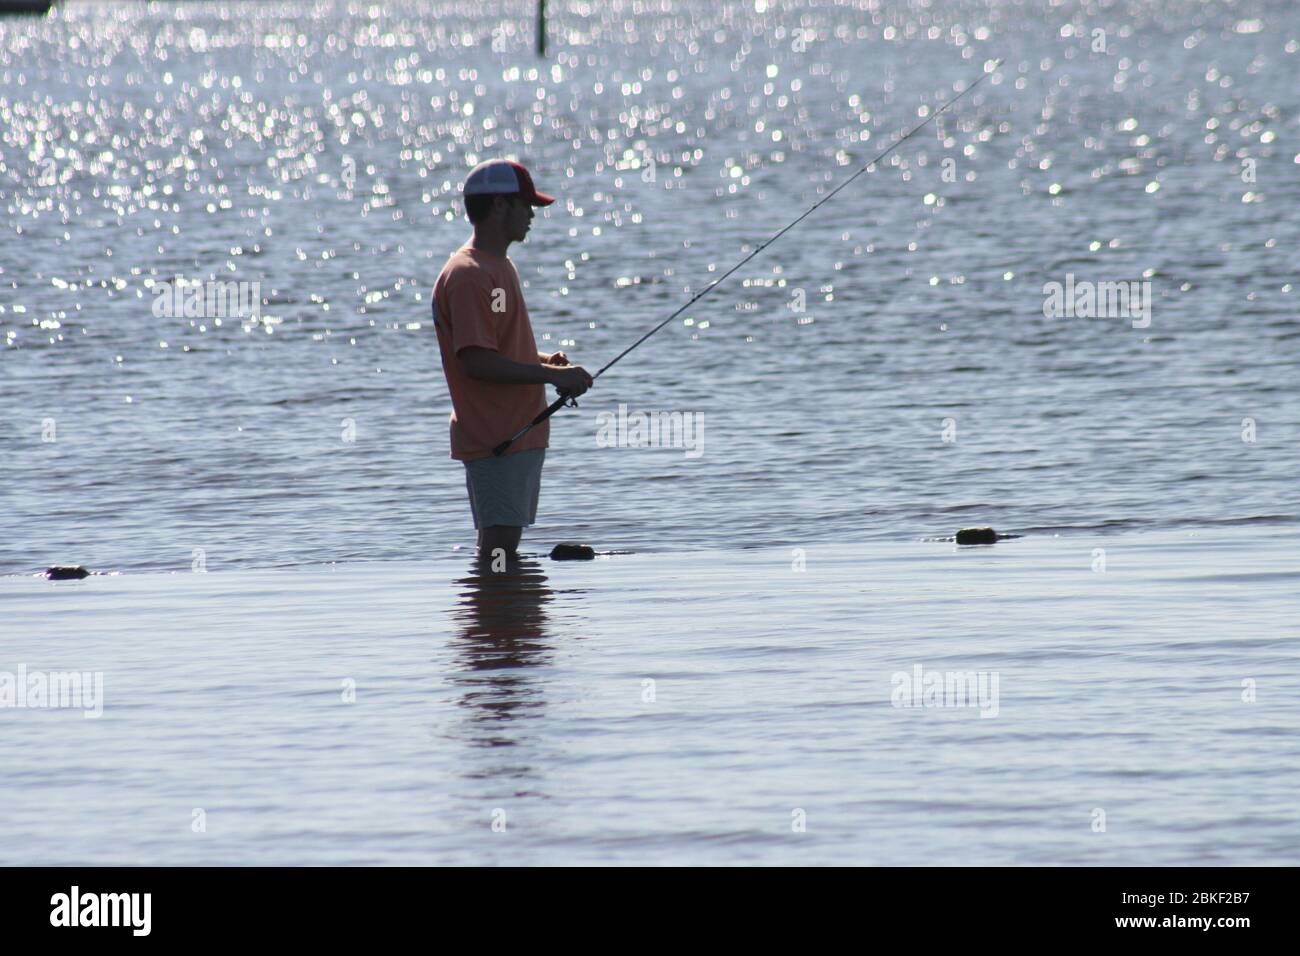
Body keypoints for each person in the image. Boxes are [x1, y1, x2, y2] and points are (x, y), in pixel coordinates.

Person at [433, 159, 593, 560]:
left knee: (503, 546)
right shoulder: (470, 274)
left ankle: (508, 617)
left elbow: (496, 346)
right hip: (496, 438)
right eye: (526, 205)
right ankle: (495, 619)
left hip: (516, 435)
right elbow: (476, 362)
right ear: (500, 206)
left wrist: (549, 364)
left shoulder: (497, 266)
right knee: (498, 550)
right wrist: (549, 374)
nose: (532, 216)